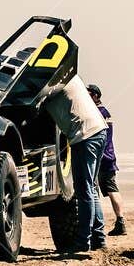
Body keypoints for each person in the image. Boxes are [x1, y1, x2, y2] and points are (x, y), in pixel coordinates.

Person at [44, 74, 109, 255]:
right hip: (98, 130)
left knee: (84, 190)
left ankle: (82, 242)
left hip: (84, 135)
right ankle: (99, 238)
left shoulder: (50, 83)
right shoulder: (68, 77)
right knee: (92, 188)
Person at [87, 84, 126, 236]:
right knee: (110, 189)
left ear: (96, 96)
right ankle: (119, 221)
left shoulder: (98, 112)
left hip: (102, 156)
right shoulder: (104, 112)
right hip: (108, 155)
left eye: (88, 94)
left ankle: (119, 222)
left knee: (108, 189)